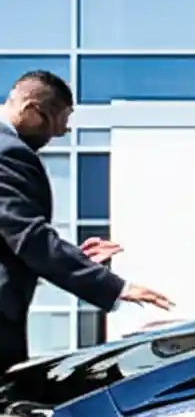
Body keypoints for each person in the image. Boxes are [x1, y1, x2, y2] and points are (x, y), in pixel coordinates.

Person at [0, 70, 172, 370]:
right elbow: (28, 237)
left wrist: (76, 258)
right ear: (30, 110)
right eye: (57, 124)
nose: (58, 135)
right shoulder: (7, 152)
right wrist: (116, 287)